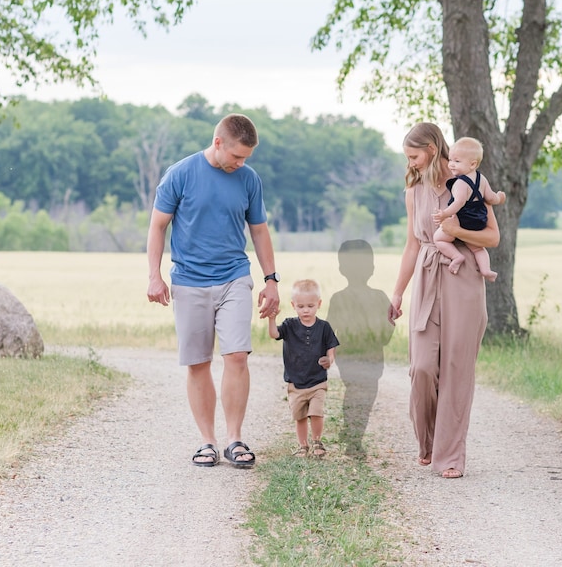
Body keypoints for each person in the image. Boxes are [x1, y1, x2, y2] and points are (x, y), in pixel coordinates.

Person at [146, 113, 280, 469]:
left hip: (234, 276)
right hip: (189, 280)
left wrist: (271, 280)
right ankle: (208, 441)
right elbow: (158, 227)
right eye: (236, 156)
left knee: (237, 356)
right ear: (218, 142)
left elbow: (260, 231)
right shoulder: (180, 174)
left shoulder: (249, 180)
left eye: (246, 157)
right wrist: (154, 276)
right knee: (198, 362)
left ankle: (235, 438)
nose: (241, 163)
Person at [389, 123, 500, 479]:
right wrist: (397, 292)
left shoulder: (469, 183)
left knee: (456, 369)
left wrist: (456, 231)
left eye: (414, 156)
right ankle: (429, 443)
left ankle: (450, 456)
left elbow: (492, 237)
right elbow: (412, 245)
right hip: (427, 275)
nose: (410, 163)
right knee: (421, 368)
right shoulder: (413, 192)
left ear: (432, 149)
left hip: (463, 276)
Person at [327, 239, 395, 457]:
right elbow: (387, 333)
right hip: (374, 357)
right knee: (365, 397)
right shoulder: (380, 297)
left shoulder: (338, 298)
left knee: (352, 392)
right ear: (372, 268)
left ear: (341, 269)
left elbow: (329, 332)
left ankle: (350, 431)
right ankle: (354, 441)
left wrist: (327, 354)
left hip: (346, 357)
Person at [268, 279, 340, 458]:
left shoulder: (324, 327)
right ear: (293, 305)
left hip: (317, 381)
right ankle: (303, 446)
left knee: (316, 413)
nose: (306, 310)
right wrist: (272, 319)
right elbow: (274, 334)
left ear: (319, 304)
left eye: (310, 306)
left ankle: (317, 442)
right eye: (301, 306)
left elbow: (331, 349)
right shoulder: (289, 325)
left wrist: (329, 359)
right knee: (299, 416)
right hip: (296, 383)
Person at [432, 137, 506, 281]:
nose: (451, 164)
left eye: (457, 161)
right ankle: (486, 270)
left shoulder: (460, 183)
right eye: (450, 160)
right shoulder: (481, 179)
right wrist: (500, 198)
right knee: (478, 249)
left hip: (462, 220)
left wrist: (444, 214)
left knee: (439, 239)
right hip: (478, 221)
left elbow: (458, 203)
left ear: (473, 164)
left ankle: (456, 257)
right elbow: (491, 198)